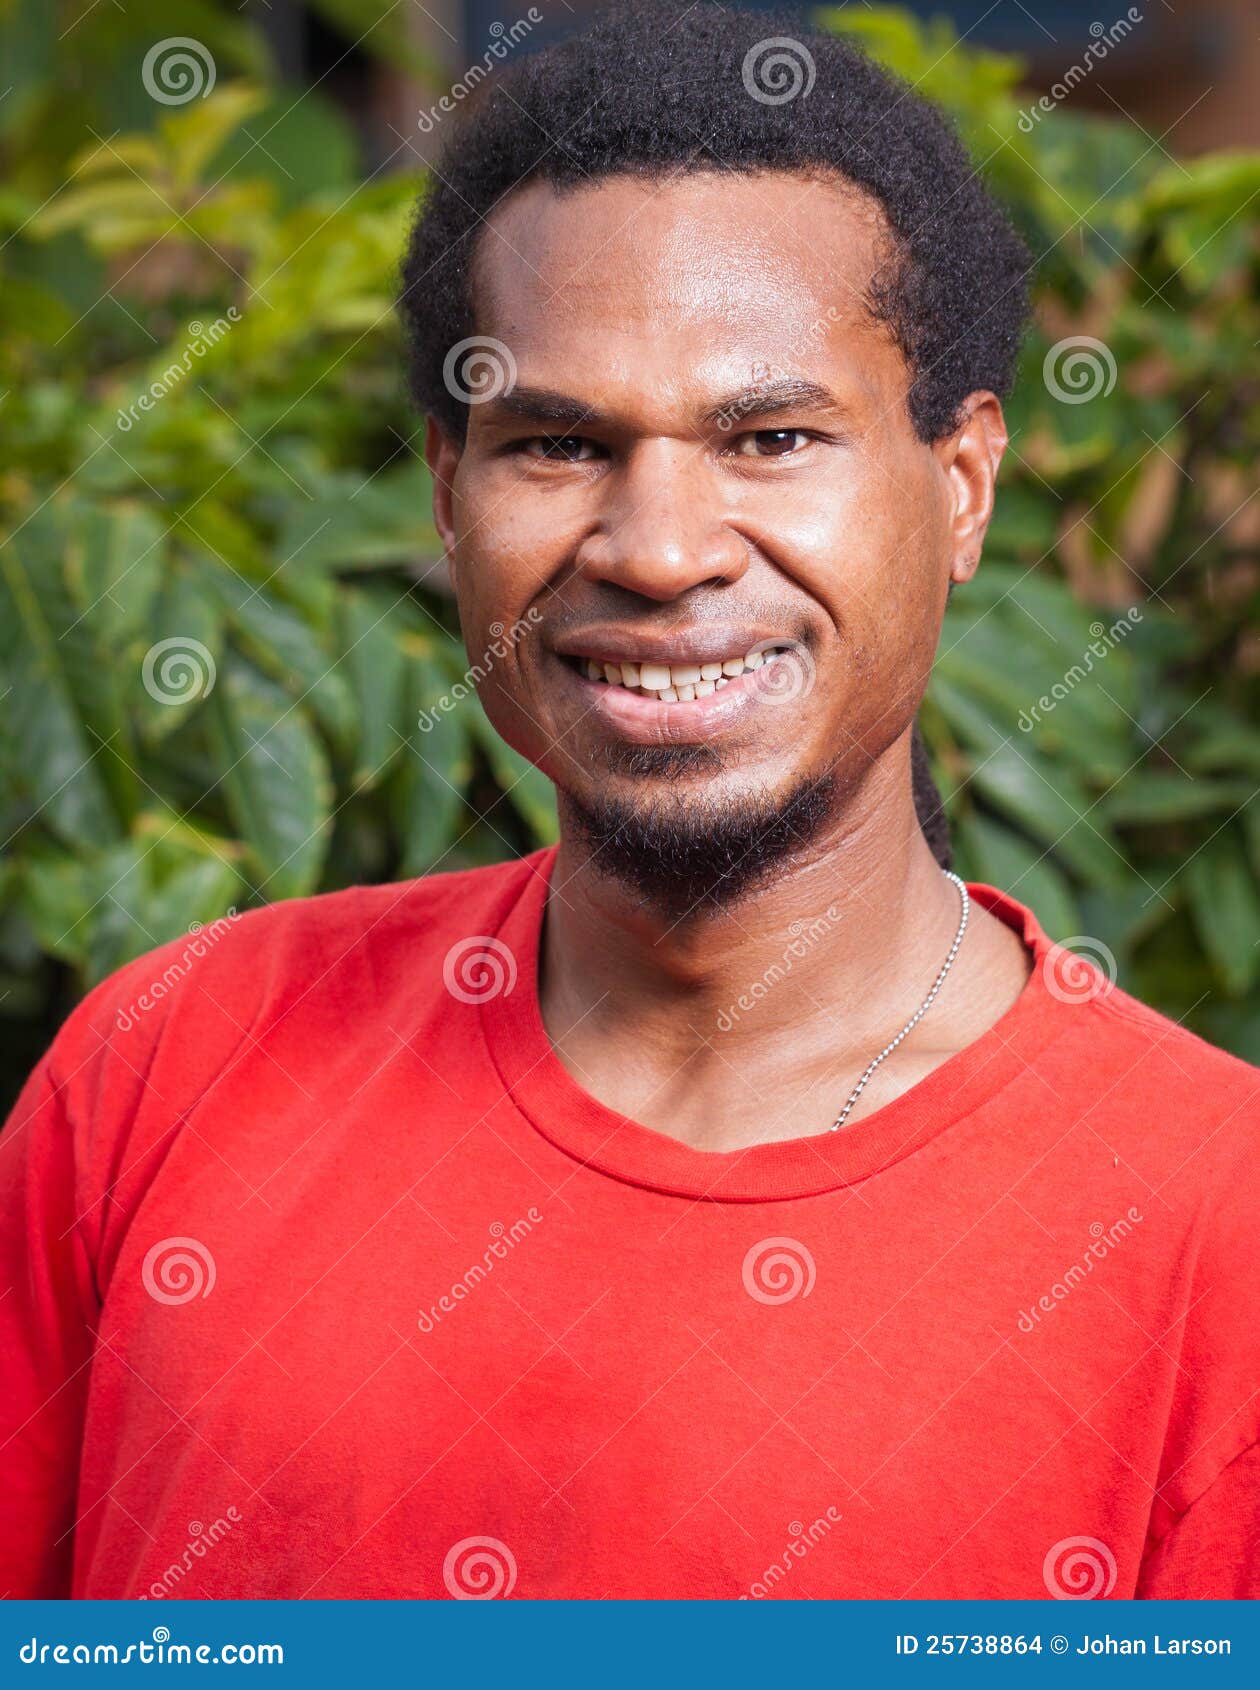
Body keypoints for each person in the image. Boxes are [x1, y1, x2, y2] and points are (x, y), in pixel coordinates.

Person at [2, 0, 1256, 1602]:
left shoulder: (1216, 1226)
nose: (660, 548)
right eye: (560, 444)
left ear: (961, 488)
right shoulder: (165, 1066)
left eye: (774, 436)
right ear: (452, 501)